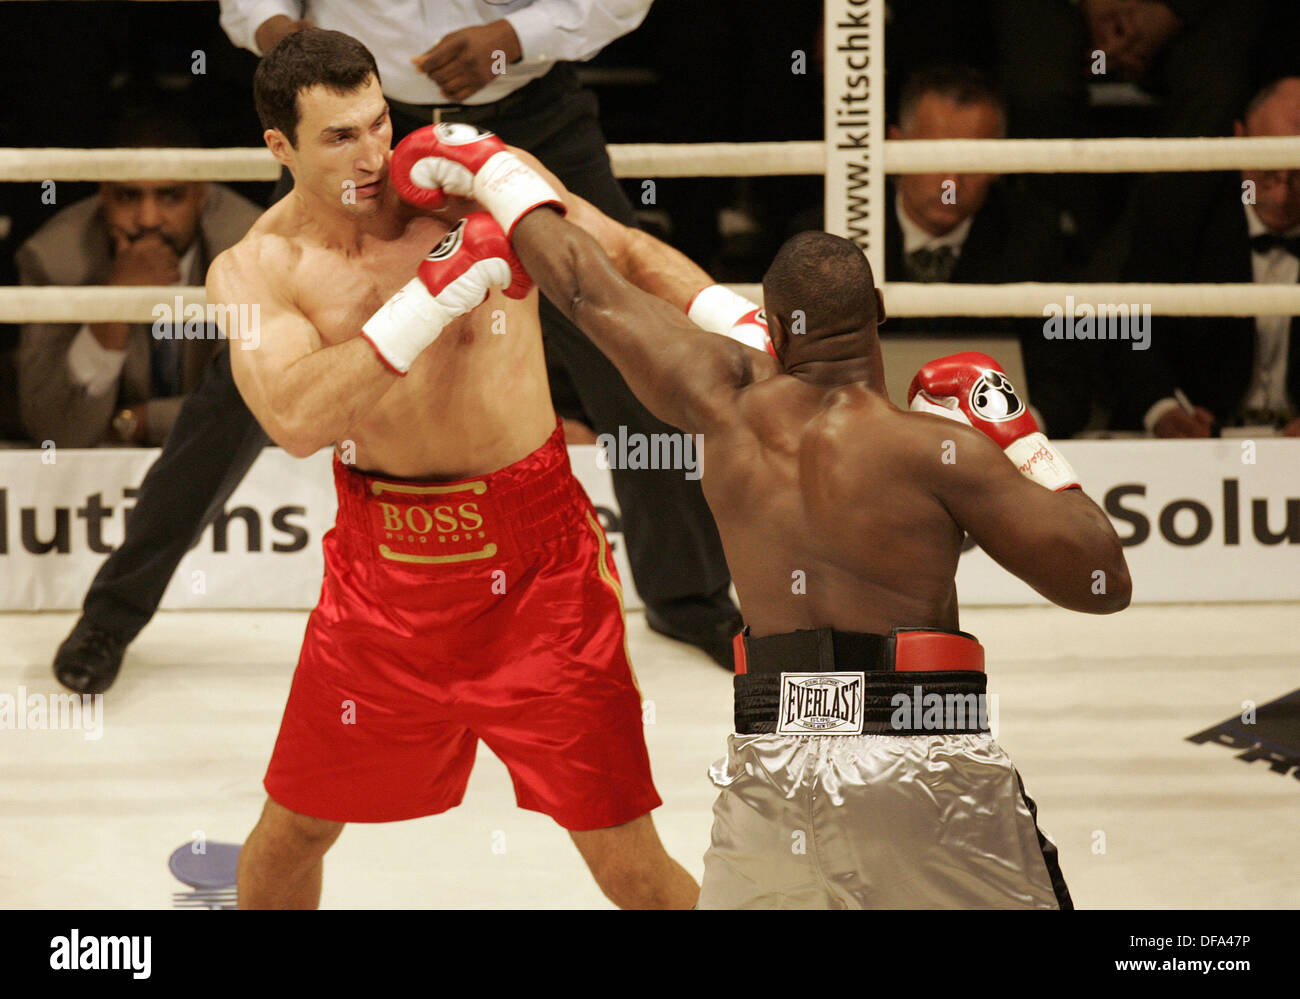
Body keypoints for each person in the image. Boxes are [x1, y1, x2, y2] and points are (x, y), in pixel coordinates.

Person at [394, 124, 1134, 908]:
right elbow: (1101, 579)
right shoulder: (938, 451)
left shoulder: (725, 407)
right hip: (923, 759)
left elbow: (586, 290)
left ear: (776, 331)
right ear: (878, 311)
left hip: (770, 772)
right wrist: (1021, 438)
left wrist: (493, 174)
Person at [50, 0, 736, 696]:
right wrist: (296, 52)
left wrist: (515, 36)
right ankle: (114, 611)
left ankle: (689, 594)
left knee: (619, 328)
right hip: (352, 120)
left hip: (523, 114)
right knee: (245, 385)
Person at [211, 29, 695, 909]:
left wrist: (742, 327)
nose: (372, 155)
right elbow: (295, 418)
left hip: (541, 574)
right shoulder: (257, 270)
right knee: (291, 835)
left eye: (378, 123)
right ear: (278, 148)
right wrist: (429, 298)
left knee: (628, 862)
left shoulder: (471, 184)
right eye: (338, 137)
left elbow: (621, 254)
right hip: (379, 587)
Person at [15, 111, 261, 447]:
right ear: (103, 193)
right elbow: (53, 428)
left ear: (201, 195)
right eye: (128, 196)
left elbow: (258, 409)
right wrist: (114, 306)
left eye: (170, 196)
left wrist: (135, 422)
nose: (148, 219)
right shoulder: (54, 259)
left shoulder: (253, 249)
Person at [1114, 76, 1300, 437]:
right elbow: (1126, 330)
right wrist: (1164, 410)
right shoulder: (1179, 209)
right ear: (1239, 139)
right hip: (1205, 441)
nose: (1281, 193)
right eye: (1268, 171)